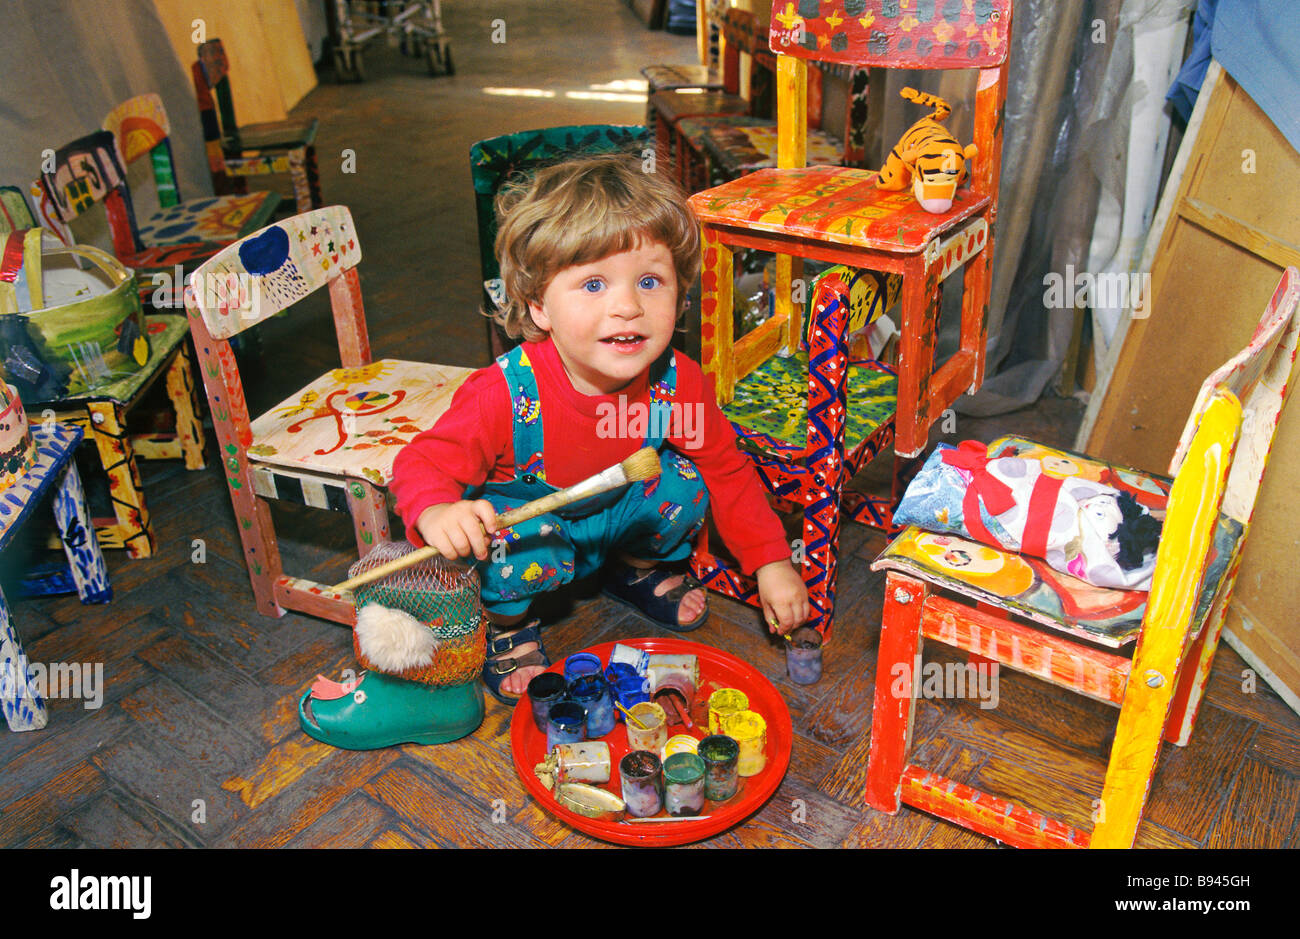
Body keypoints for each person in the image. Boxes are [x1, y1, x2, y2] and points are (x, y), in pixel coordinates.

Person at [390, 155, 808, 703]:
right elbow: (419, 464)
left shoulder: (678, 381)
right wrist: (436, 511)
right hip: (534, 529)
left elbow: (726, 468)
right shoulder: (501, 394)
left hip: (619, 512)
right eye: (593, 284)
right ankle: (510, 626)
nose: (628, 306)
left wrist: (772, 561)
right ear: (539, 306)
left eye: (650, 281)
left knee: (687, 479)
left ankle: (634, 569)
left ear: (681, 293)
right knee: (498, 546)